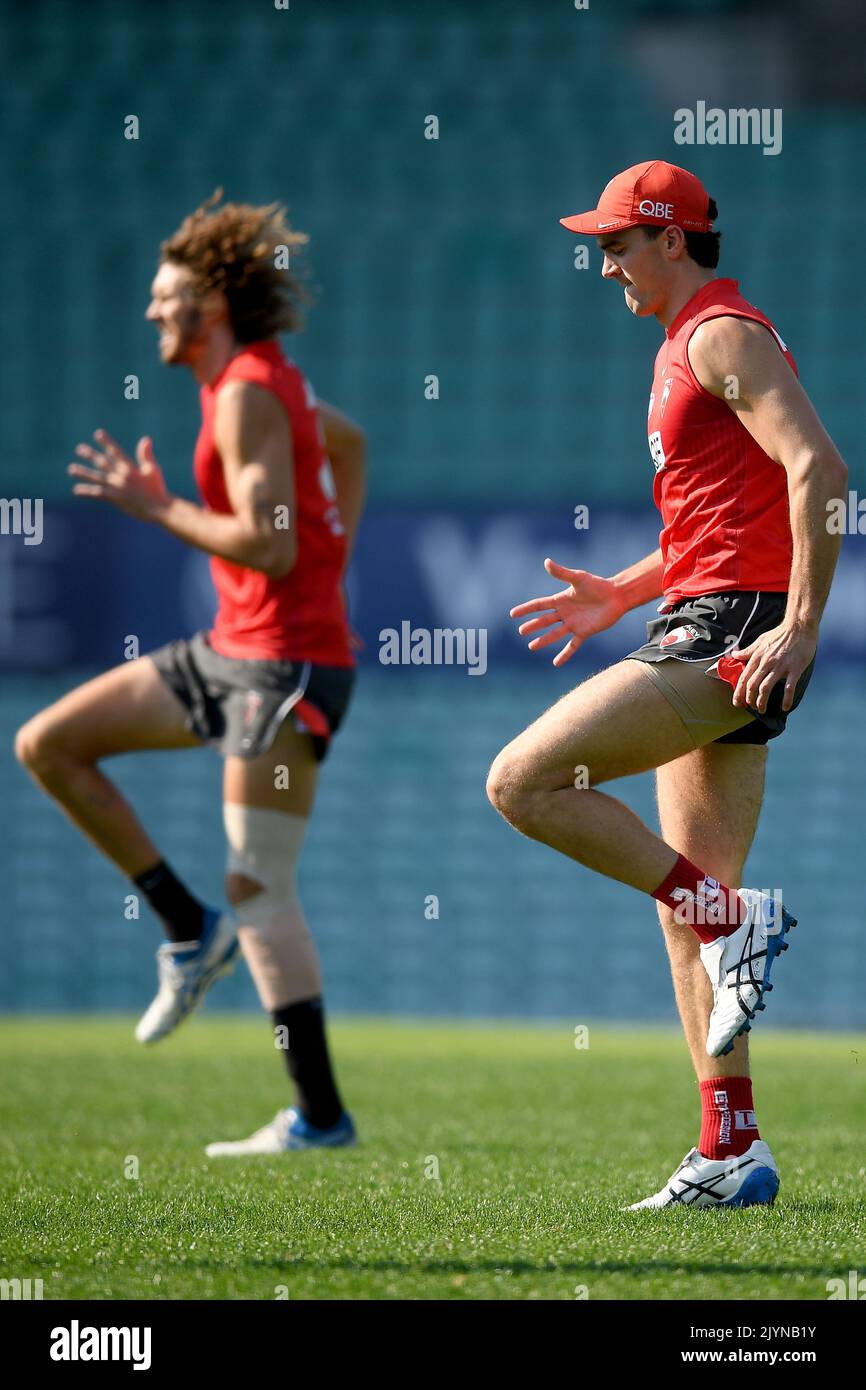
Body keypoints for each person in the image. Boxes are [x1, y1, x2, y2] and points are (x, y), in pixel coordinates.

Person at [487, 161, 846, 1207]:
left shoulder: (717, 333)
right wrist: (621, 589)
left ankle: (735, 923)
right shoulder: (679, 345)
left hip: (730, 632)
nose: (604, 266)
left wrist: (798, 623)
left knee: (521, 782)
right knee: (688, 897)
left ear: (669, 241)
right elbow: (715, 516)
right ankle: (729, 1151)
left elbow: (817, 470)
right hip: (710, 609)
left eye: (614, 245)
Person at [15, 193, 366, 1156]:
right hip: (230, 651)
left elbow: (272, 546)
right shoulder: (244, 385)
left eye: (163, 296)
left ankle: (322, 1118)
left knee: (262, 885)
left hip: (283, 668)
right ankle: (185, 927)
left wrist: (156, 507)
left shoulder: (250, 387)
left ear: (210, 303)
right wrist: (335, 542)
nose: (150, 312)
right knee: (49, 744)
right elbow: (348, 446)